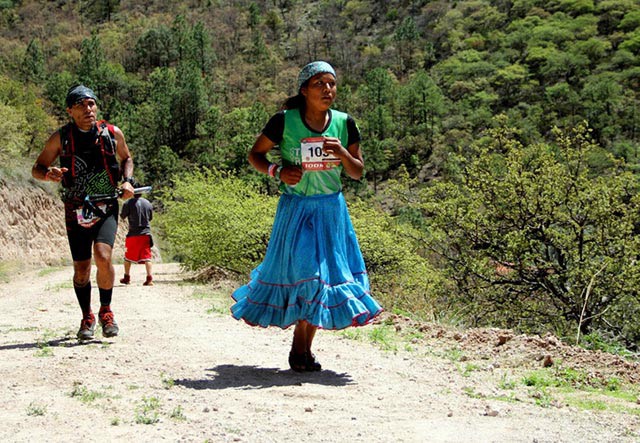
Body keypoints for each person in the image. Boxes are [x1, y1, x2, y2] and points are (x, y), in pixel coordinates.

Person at [230, 61, 382, 372]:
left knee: (324, 280)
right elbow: (254, 155)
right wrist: (277, 171)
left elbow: (357, 171)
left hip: (330, 211)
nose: (328, 90)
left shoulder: (344, 123)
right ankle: (301, 349)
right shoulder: (284, 122)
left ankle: (302, 349)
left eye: (332, 84)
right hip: (296, 209)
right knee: (306, 274)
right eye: (320, 84)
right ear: (304, 90)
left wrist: (341, 152)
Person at [32, 84, 135, 340]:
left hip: (107, 206)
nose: (88, 109)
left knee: (103, 256)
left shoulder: (112, 133)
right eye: (81, 105)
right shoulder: (61, 137)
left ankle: (106, 311)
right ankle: (87, 316)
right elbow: (38, 167)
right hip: (75, 208)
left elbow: (127, 159)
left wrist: (127, 181)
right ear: (70, 111)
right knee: (81, 269)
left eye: (91, 104)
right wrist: (49, 174)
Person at [119, 191, 154, 286]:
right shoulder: (148, 203)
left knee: (127, 257)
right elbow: (150, 218)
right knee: (147, 257)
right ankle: (149, 278)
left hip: (133, 234)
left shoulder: (128, 203)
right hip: (145, 233)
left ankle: (127, 277)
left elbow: (122, 216)